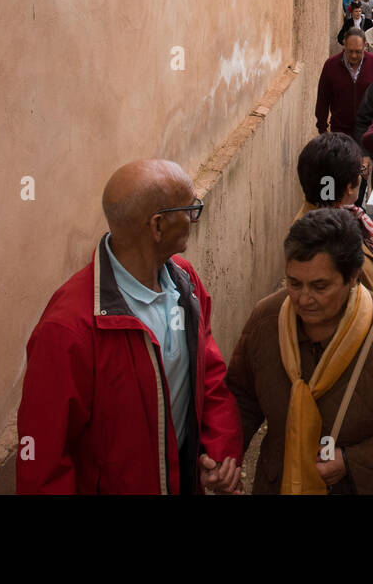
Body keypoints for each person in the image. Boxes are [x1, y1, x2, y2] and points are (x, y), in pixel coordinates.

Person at [17, 160, 242, 494]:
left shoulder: (185, 284)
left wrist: (222, 452)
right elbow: (43, 460)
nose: (195, 215)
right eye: (189, 208)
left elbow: (208, 376)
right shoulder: (68, 330)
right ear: (157, 226)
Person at [225, 208, 373, 494]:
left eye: (320, 286)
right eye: (294, 283)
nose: (303, 299)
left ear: (352, 278)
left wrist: (352, 462)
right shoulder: (267, 320)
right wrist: (225, 456)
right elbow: (241, 398)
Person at [295, 132, 373, 321]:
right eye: (361, 172)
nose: (363, 176)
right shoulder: (324, 243)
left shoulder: (344, 215)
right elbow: (348, 319)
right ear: (349, 186)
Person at [315, 29, 373, 138]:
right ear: (344, 45)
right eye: (350, 51)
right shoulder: (331, 65)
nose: (353, 56)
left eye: (358, 52)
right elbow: (323, 98)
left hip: (369, 131)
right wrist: (322, 128)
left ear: (365, 46)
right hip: (340, 131)